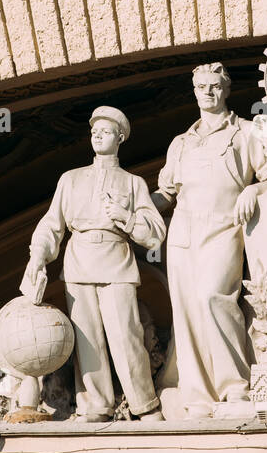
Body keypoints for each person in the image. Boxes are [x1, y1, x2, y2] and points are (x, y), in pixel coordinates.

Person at [23, 106, 166, 421]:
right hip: (79, 261)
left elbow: (155, 234)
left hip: (116, 260)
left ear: (120, 137)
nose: (98, 135)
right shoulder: (71, 179)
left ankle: (145, 405)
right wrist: (38, 255)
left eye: (105, 131)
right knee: (87, 341)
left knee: (126, 336)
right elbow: (52, 225)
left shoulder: (132, 183)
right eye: (94, 131)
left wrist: (127, 218)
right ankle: (96, 406)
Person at [152, 63, 267, 417]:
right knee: (187, 309)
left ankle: (235, 387)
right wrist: (133, 204)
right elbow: (165, 193)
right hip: (184, 232)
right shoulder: (181, 142)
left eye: (215, 86)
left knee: (213, 298)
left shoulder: (246, 133)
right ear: (194, 91)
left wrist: (256, 187)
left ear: (226, 90)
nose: (208, 92)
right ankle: (199, 396)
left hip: (224, 227)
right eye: (202, 86)